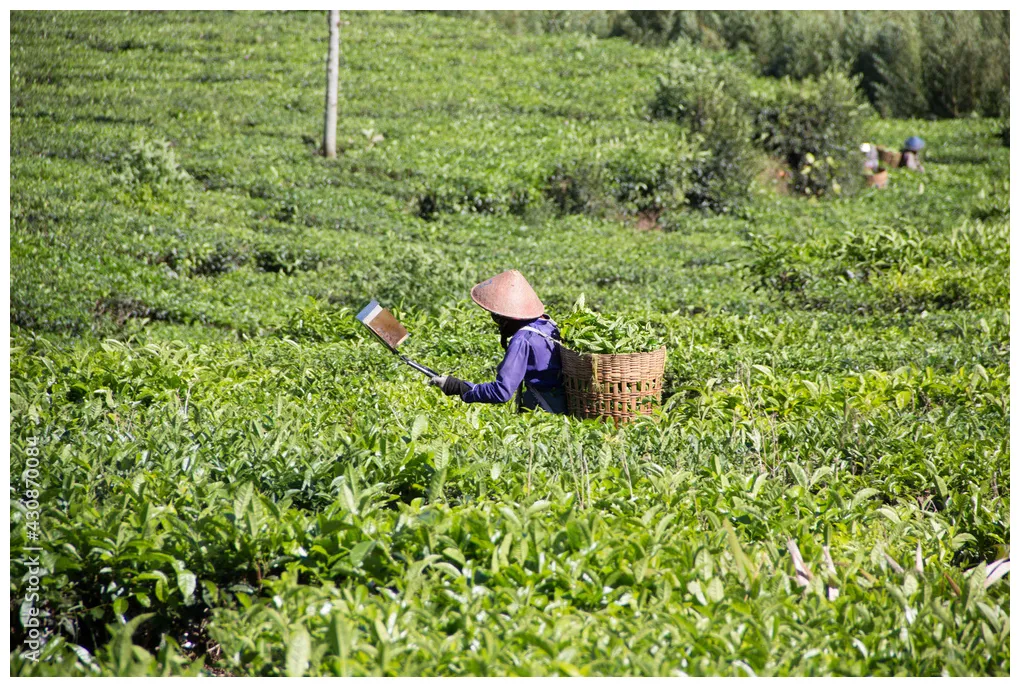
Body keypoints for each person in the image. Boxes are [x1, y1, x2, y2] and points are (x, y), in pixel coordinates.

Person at [430, 269, 566, 413]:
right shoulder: (549, 324)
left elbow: (501, 392)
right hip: (564, 404)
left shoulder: (522, 340)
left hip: (546, 412)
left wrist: (459, 387)